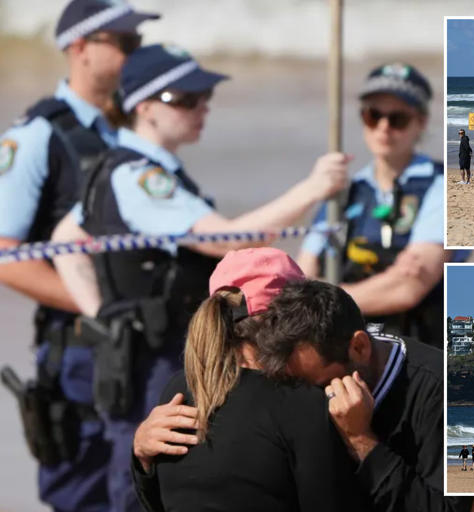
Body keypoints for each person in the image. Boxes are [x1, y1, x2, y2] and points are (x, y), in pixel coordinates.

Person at [51, 44, 349, 512]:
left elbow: (67, 239)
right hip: (153, 357)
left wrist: (105, 316)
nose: (201, 107)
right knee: (156, 476)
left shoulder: (112, 170)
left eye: (204, 97)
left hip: (136, 351)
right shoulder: (139, 177)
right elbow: (231, 241)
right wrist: (314, 188)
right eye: (185, 99)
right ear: (144, 107)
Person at [130, 251, 474, 512]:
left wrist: (363, 442)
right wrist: (143, 457)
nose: (312, 393)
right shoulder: (275, 398)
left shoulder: (438, 388)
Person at [0, 1, 158, 510]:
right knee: (87, 495)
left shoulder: (134, 131)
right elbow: (5, 253)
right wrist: (98, 308)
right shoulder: (38, 136)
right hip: (81, 353)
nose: (136, 55)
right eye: (124, 43)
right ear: (79, 48)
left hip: (142, 346)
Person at [145, 248, 366, 511]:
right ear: (290, 320)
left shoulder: (179, 389)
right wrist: (362, 439)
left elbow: (157, 501)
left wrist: (141, 461)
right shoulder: (300, 404)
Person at [297, 63, 469, 349]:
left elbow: (408, 287)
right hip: (347, 347)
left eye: (398, 118)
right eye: (373, 115)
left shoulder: (445, 189)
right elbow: (303, 273)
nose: (384, 127)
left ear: (421, 122)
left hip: (418, 350)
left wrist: (325, 301)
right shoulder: (342, 193)